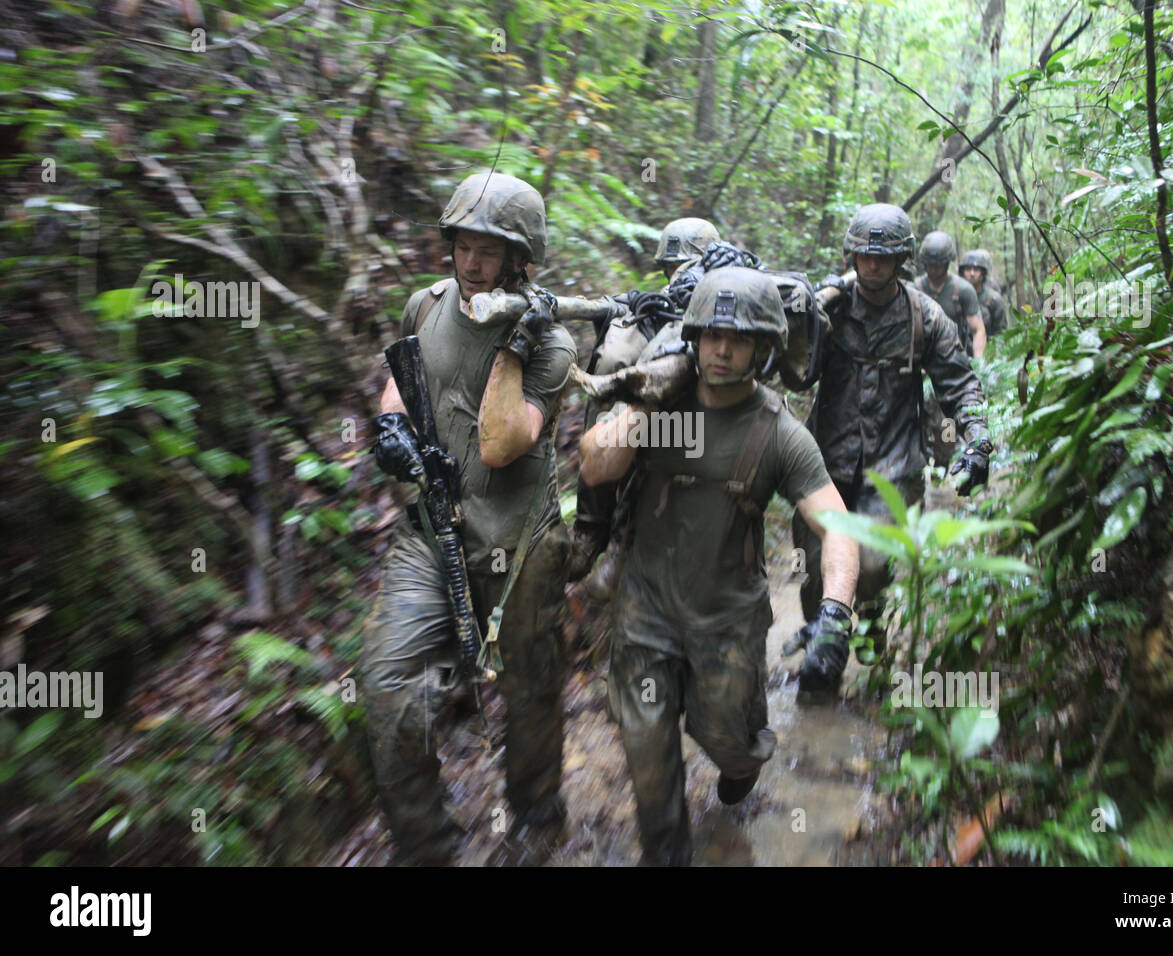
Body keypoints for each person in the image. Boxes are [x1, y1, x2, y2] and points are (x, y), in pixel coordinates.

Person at [578, 267, 859, 865]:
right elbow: (594, 467)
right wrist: (644, 404)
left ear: (764, 349)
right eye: (709, 336)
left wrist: (834, 610)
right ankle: (668, 853)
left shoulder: (779, 432)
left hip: (728, 622)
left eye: (737, 339)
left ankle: (741, 765)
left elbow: (837, 526)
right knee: (647, 756)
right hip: (645, 616)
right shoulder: (663, 411)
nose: (721, 349)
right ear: (693, 340)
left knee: (729, 741)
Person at [363, 171, 575, 866]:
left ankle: (537, 814)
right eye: (465, 245)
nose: (475, 263)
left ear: (522, 258)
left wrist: (516, 342)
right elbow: (404, 374)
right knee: (388, 683)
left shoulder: (554, 346)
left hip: (519, 545)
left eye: (493, 250)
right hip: (430, 531)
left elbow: (502, 441)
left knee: (532, 686)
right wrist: (391, 426)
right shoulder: (424, 306)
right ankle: (428, 849)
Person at [791, 205, 992, 696]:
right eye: (864, 256)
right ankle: (822, 662)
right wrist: (807, 315)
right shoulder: (829, 308)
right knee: (816, 570)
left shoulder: (926, 316)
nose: (872, 266)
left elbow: (960, 384)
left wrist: (978, 439)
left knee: (875, 567)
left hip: (894, 463)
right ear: (852, 255)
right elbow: (792, 371)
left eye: (883, 258)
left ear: (902, 260)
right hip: (825, 463)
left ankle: (874, 621)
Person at [569, 218, 723, 583]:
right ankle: (597, 528)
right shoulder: (651, 313)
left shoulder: (729, 308)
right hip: (652, 429)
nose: (676, 275)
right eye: (670, 269)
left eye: (683, 267)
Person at [915, 231, 986, 359]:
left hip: (953, 357)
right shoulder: (914, 289)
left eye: (938, 265)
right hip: (919, 357)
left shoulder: (963, 290)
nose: (933, 269)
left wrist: (978, 362)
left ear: (947, 263)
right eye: (930, 264)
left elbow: (978, 330)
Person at [959, 249, 1009, 338]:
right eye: (968, 269)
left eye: (976, 269)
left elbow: (1001, 334)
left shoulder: (994, 300)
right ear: (962, 272)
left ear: (982, 272)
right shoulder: (956, 297)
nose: (972, 273)